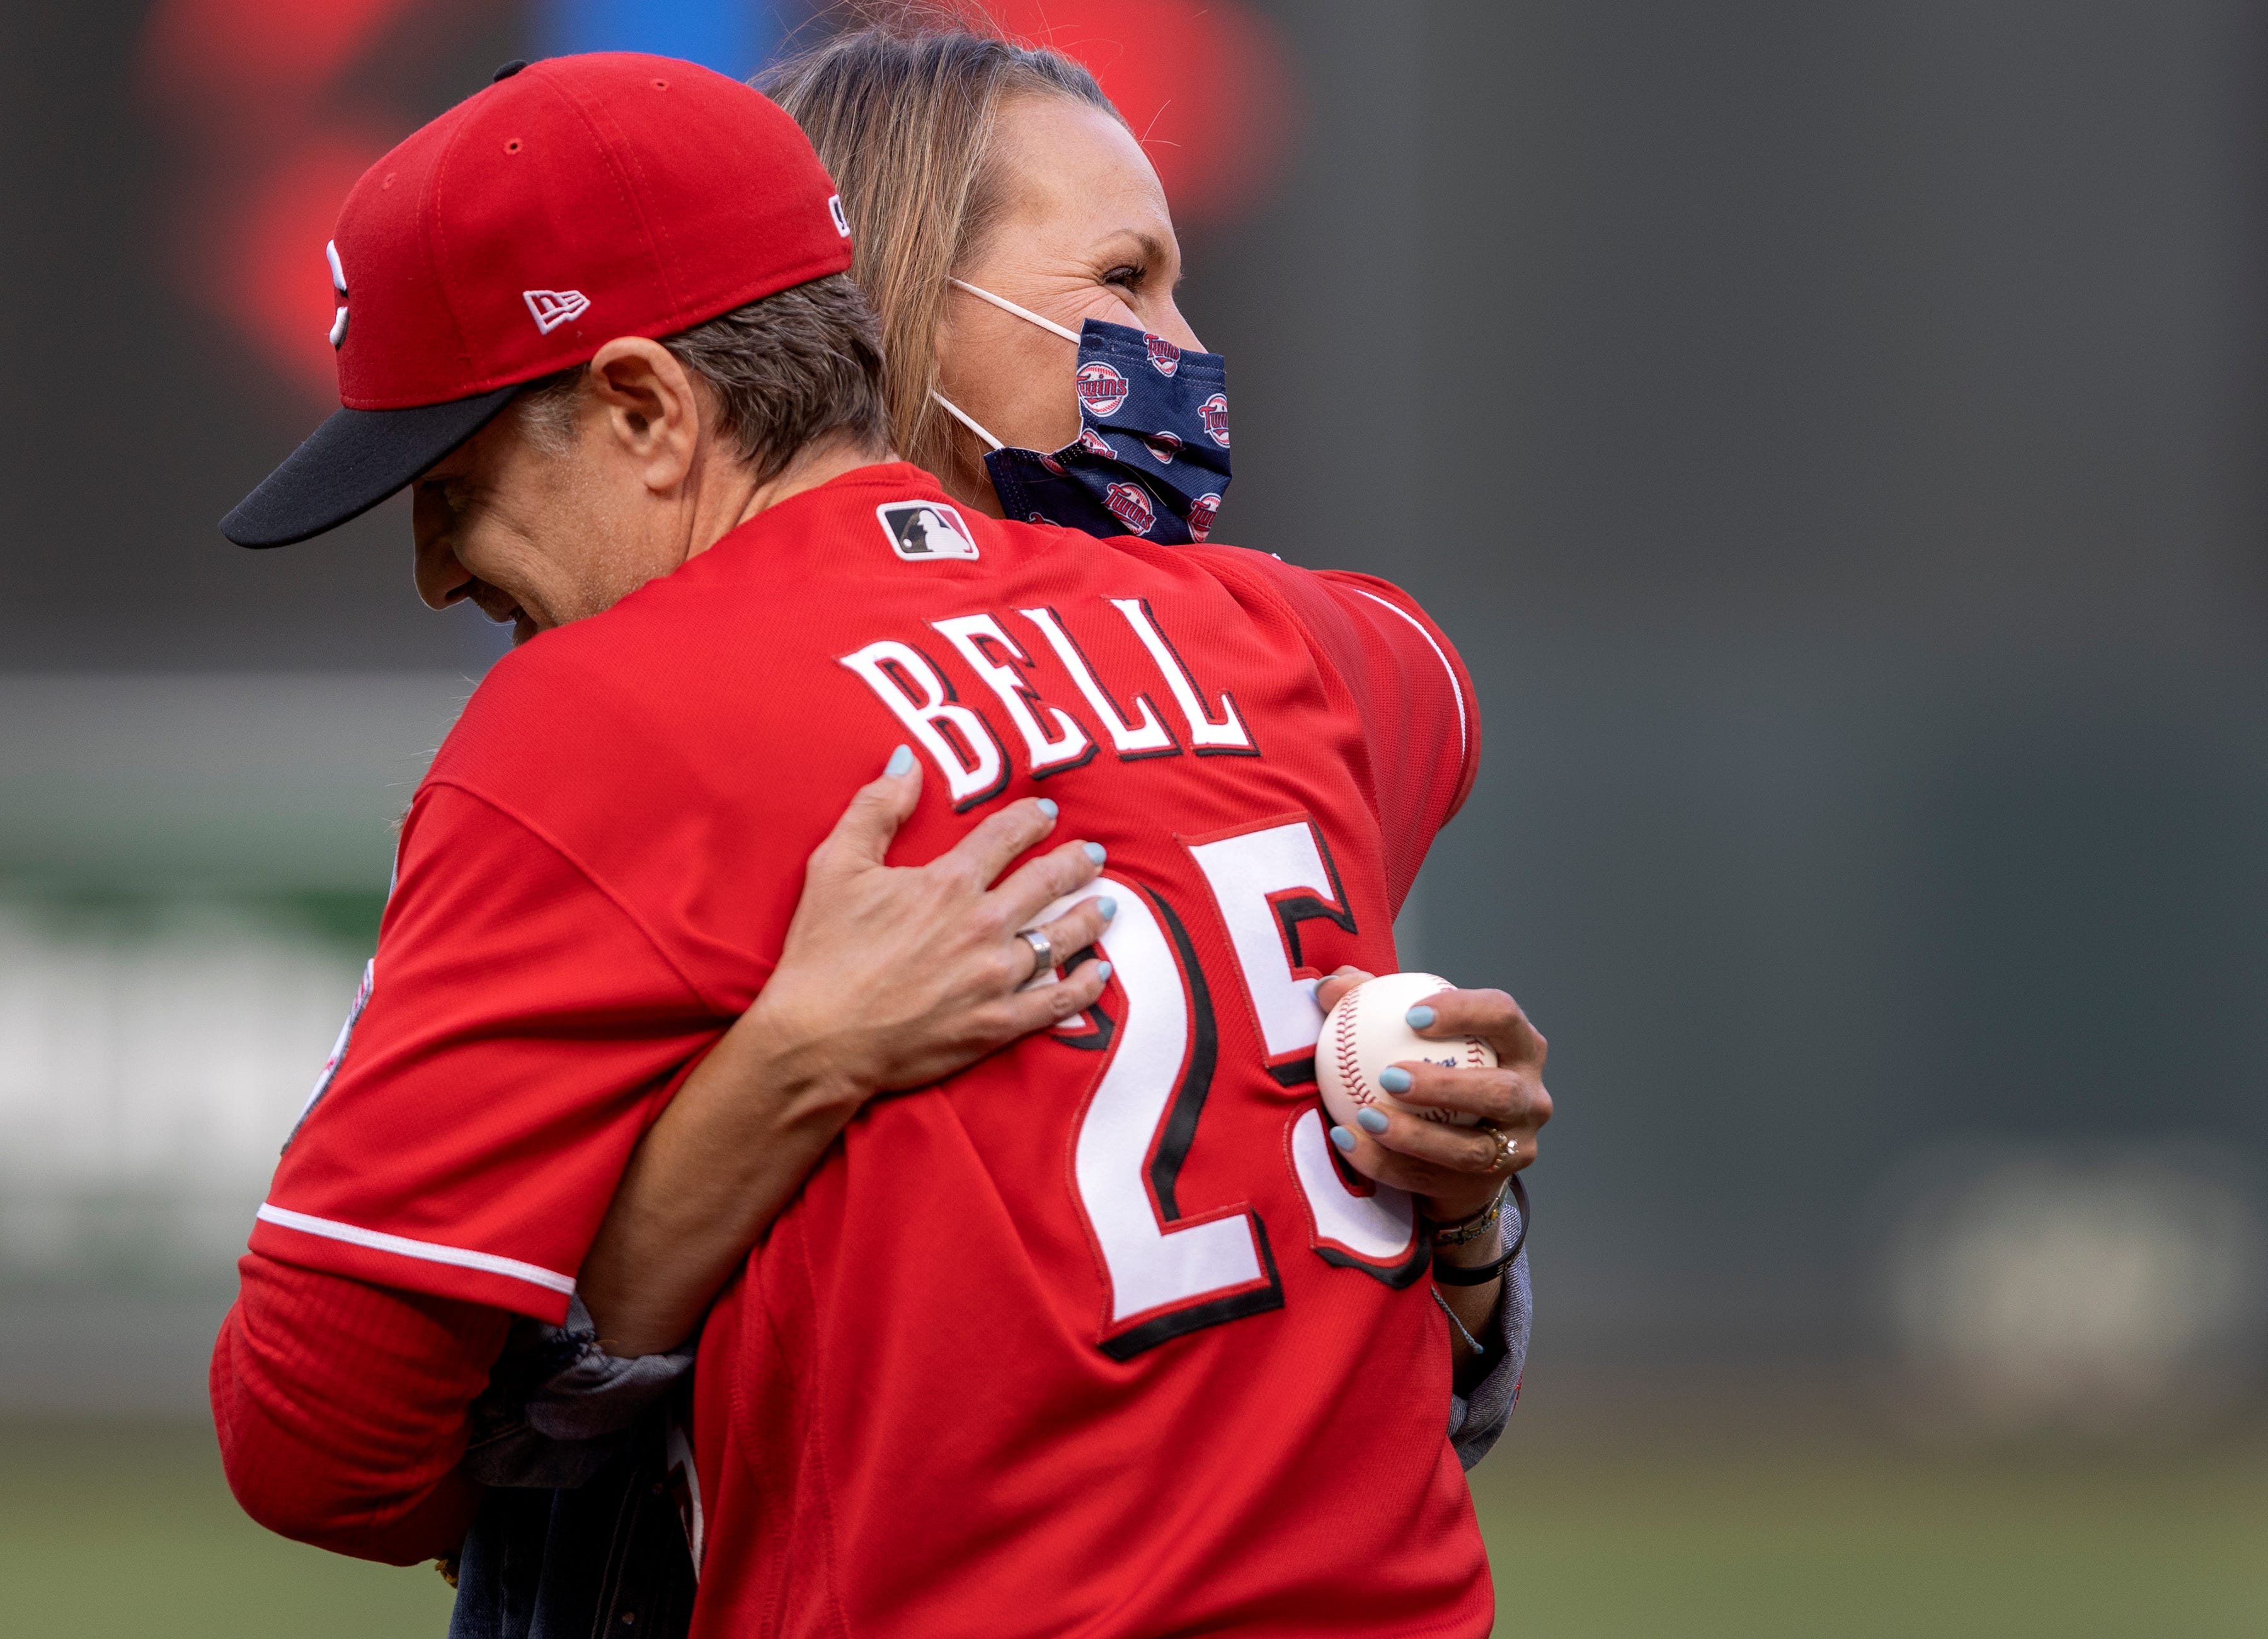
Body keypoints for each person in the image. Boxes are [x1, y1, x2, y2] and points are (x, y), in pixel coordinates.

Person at [210, 47, 1547, 1639]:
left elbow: (323, 1449)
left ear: (645, 406)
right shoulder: (1315, 652)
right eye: (1123, 281)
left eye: (455, 481)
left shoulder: (593, 731)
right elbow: (1426, 698)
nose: (438, 568)